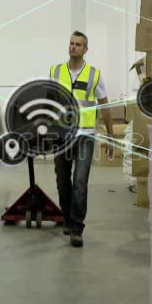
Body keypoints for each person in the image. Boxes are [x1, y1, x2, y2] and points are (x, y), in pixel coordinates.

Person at [49, 31, 114, 248]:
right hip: (61, 135)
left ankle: (76, 228)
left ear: (86, 49)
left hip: (85, 135)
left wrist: (111, 135)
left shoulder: (94, 74)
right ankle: (67, 218)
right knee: (62, 180)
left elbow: (104, 105)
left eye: (78, 44)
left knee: (80, 181)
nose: (74, 47)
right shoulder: (56, 71)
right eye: (71, 43)